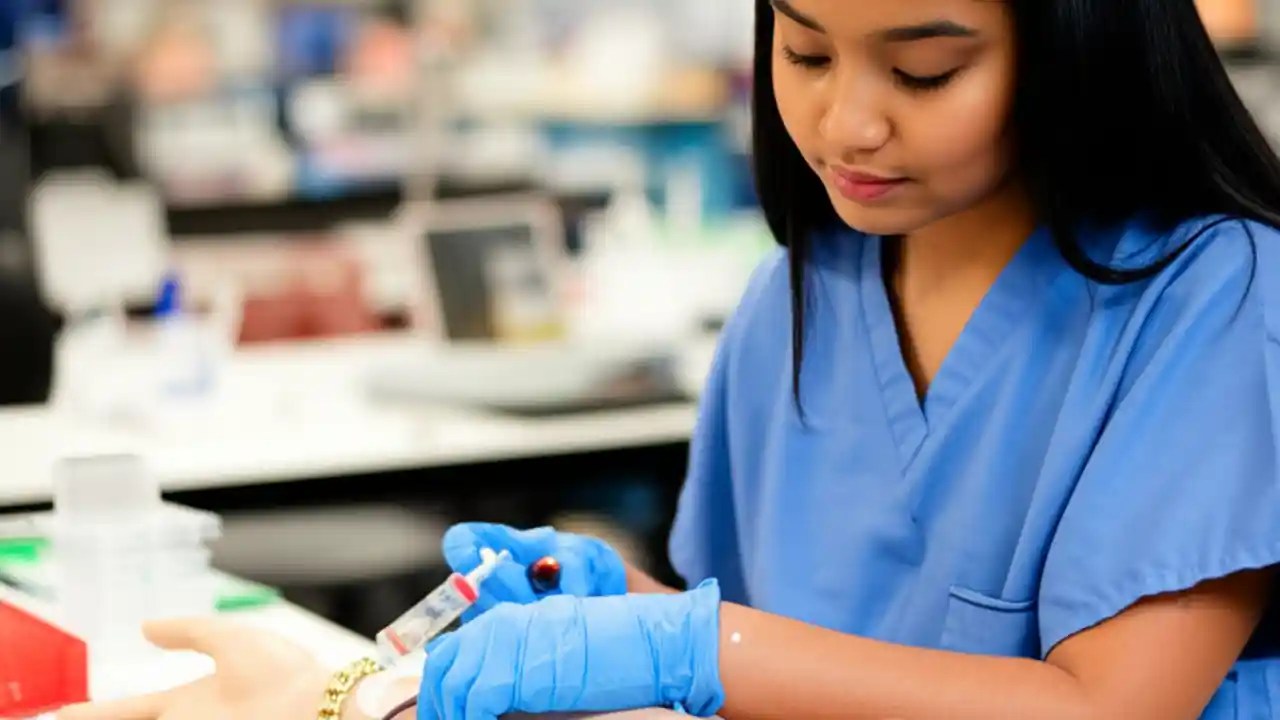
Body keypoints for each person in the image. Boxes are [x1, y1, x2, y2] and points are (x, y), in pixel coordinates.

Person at [59, 0, 1280, 718]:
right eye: (802, 55)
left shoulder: (1210, 294)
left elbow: (1110, 706)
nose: (845, 124)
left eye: (922, 70)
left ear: (1079, 45)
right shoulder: (797, 299)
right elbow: (790, 654)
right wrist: (615, 604)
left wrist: (675, 646)